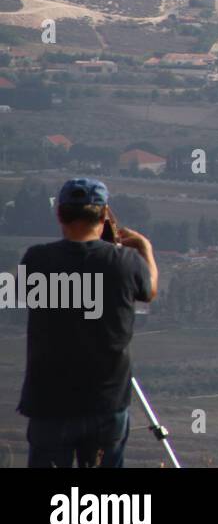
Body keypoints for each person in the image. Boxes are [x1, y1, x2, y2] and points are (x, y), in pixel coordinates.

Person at [19, 178, 158, 467]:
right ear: (105, 215)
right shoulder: (125, 263)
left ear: (60, 214)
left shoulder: (37, 260)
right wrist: (144, 247)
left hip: (49, 401)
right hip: (106, 400)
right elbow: (149, 291)